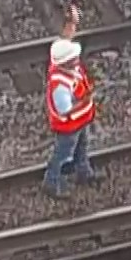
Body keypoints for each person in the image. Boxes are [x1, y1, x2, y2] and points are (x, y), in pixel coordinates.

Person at [43, 31, 99, 198]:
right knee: (63, 155)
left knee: (82, 147)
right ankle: (51, 182)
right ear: (65, 62)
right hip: (69, 126)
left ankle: (84, 172)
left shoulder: (70, 69)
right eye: (74, 57)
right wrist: (84, 101)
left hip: (80, 121)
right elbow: (64, 110)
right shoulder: (60, 85)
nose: (78, 59)